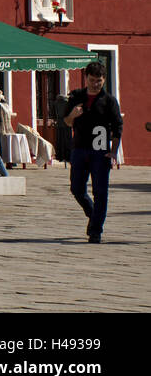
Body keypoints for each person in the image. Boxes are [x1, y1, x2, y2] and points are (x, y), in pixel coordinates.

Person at [63, 62, 122, 243]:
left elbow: (118, 127)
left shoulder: (109, 100)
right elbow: (66, 121)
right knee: (77, 189)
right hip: (79, 148)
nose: (96, 84)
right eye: (92, 80)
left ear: (103, 80)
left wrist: (113, 152)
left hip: (100, 151)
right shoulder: (76, 96)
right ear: (86, 78)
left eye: (99, 81)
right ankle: (93, 214)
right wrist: (73, 114)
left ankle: (95, 230)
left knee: (100, 191)